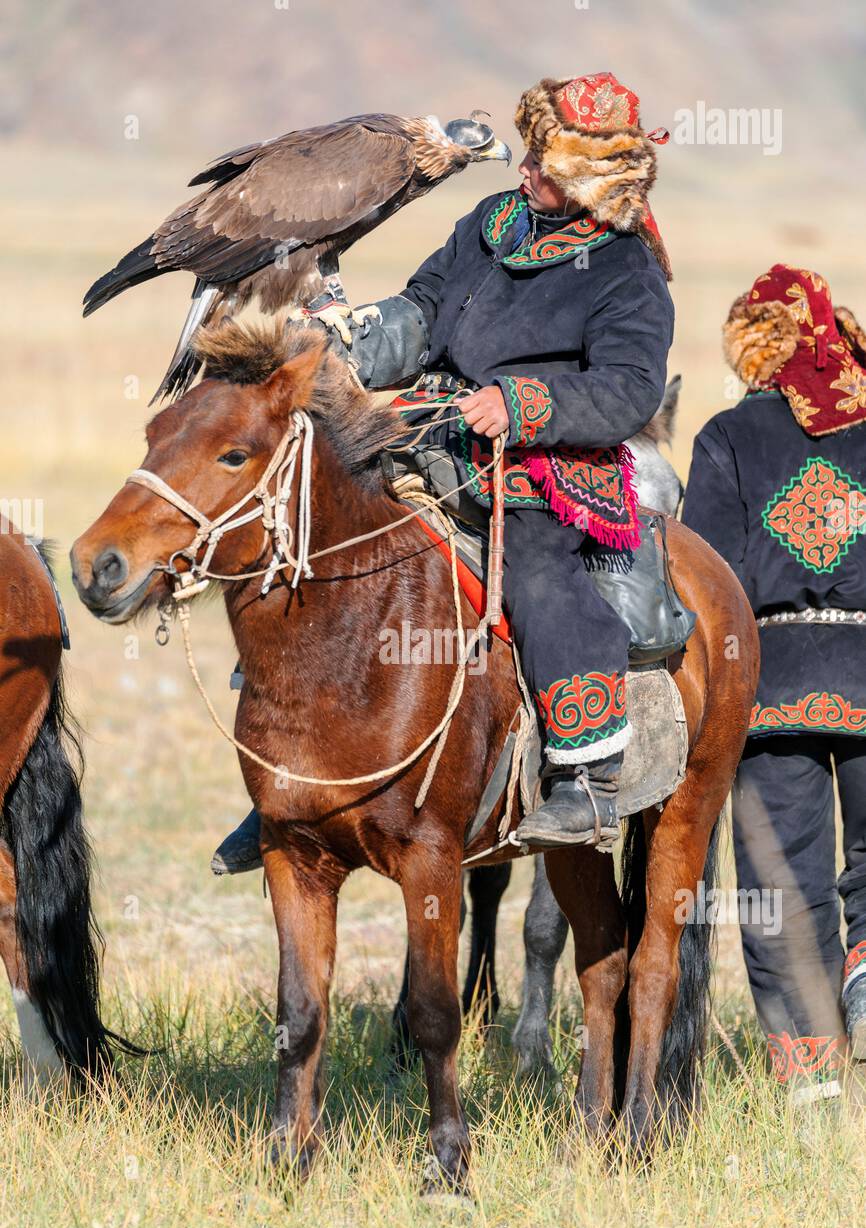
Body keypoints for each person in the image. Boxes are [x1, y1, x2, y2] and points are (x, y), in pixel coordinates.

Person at [213, 71, 674, 874]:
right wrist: (347, 341)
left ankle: (586, 770)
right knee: (323, 542)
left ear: (587, 183)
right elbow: (422, 312)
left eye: (545, 166)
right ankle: (295, 780)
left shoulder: (627, 271)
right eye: (529, 155)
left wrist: (524, 402)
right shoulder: (491, 223)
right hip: (432, 435)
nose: (524, 171)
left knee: (535, 577)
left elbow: (630, 388)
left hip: (545, 465)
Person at [682, 264, 866, 1102]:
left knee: (783, 885)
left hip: (768, 690)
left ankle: (812, 1085)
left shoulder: (725, 436)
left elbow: (705, 581)